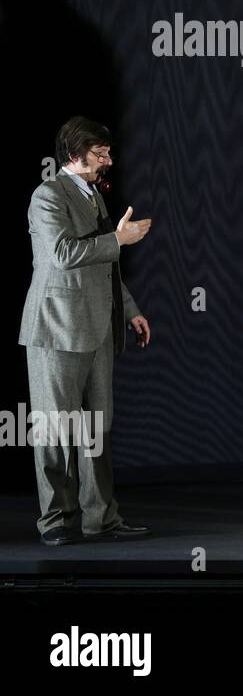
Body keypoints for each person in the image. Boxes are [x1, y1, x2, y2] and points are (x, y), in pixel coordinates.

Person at [19, 116, 154, 546]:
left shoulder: (92, 194)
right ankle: (55, 520)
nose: (107, 161)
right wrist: (119, 240)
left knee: (96, 429)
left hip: (97, 328)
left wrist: (129, 309)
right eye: (100, 154)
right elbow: (62, 254)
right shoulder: (47, 195)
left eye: (107, 153)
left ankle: (101, 517)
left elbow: (103, 266)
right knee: (54, 429)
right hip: (57, 328)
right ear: (74, 155)